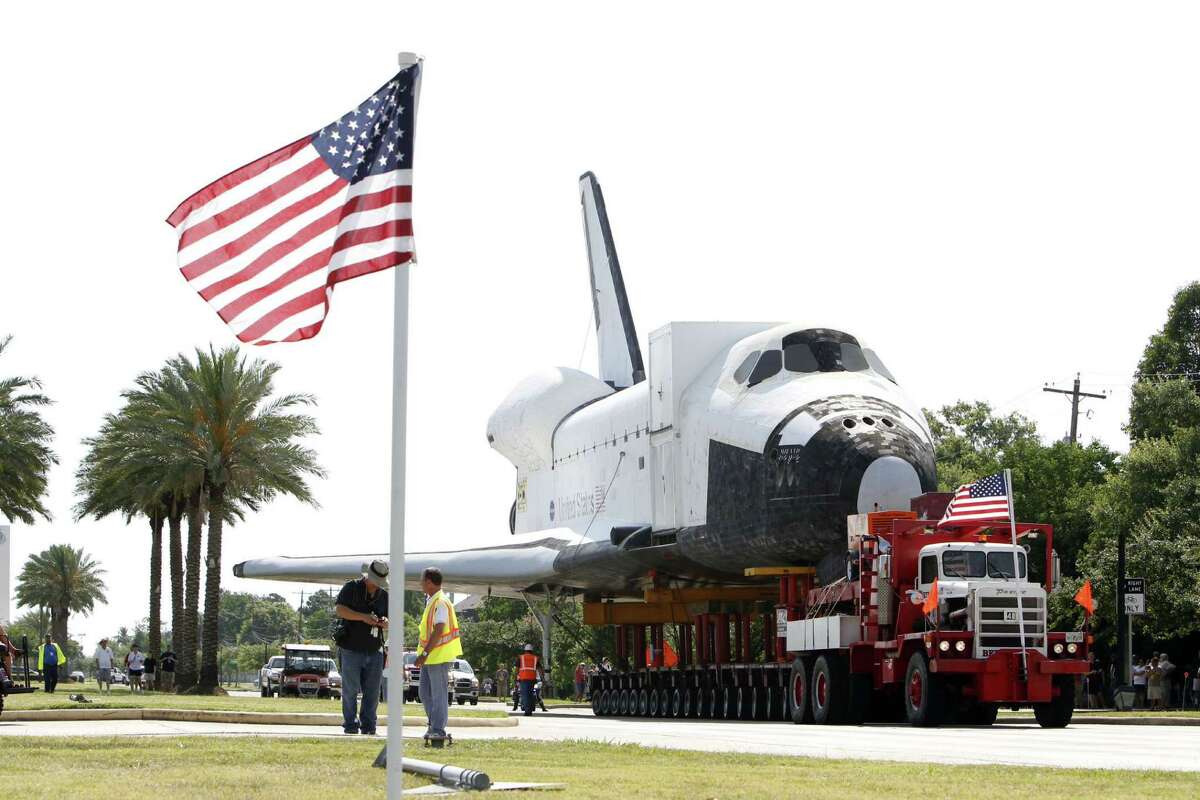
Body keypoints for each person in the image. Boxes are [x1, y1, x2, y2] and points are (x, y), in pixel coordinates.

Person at [334, 559, 390, 735]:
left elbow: (390, 619)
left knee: (372, 692)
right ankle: (350, 724)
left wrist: (385, 622)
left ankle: (368, 725)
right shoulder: (351, 588)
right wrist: (363, 617)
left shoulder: (384, 596)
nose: (377, 586)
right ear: (368, 577)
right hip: (350, 648)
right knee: (350, 690)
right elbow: (340, 610)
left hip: (375, 649)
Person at [414, 567, 463, 744]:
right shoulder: (432, 600)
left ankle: (438, 728)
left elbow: (439, 628)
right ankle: (433, 724)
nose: (420, 583)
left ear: (428, 582)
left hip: (438, 656)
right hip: (432, 657)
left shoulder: (440, 602)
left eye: (422, 580)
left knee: (438, 694)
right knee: (424, 693)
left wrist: (425, 653)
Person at [515, 643, 542, 716]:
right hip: (532, 679)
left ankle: (527, 711)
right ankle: (530, 709)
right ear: (532, 651)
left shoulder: (520, 657)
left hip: (523, 679)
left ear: (525, 650)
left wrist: (516, 678)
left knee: (525, 695)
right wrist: (542, 679)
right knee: (530, 694)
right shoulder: (535, 658)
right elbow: (539, 669)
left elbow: (517, 669)